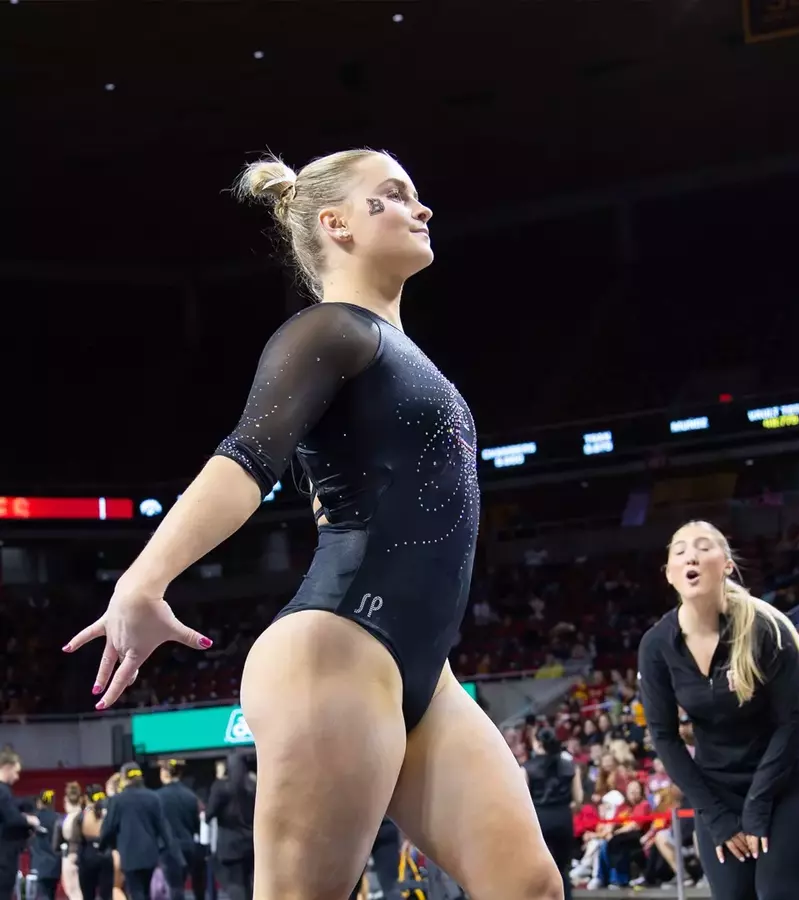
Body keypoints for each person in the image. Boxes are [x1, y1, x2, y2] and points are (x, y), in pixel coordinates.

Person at [63, 149, 563, 900]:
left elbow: (349, 489)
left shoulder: (401, 351)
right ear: (336, 225)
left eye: (418, 194)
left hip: (426, 674)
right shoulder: (327, 330)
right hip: (337, 649)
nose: (420, 208)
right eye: (393, 196)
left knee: (528, 886)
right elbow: (246, 459)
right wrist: (144, 578)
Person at [638, 520, 799, 900]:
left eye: (704, 546)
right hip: (718, 789)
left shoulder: (767, 628)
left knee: (774, 894)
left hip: (785, 781)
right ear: (670, 574)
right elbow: (665, 737)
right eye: (680, 549)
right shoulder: (656, 645)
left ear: (727, 565)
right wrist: (716, 815)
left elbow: (793, 722)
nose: (692, 554)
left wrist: (757, 805)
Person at [100, 763, 176, 900]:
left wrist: (105, 846)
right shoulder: (153, 797)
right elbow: (163, 827)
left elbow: (108, 828)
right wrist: (169, 850)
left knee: (135, 891)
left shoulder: (117, 800)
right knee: (146, 891)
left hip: (129, 854)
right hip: (150, 854)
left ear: (124, 778)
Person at [525, 727, 581, 899]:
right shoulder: (570, 766)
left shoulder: (526, 768)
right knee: (563, 869)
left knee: (540, 870)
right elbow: (578, 799)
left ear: (538, 743)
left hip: (540, 819)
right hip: (563, 818)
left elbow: (524, 801)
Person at [207, 752, 255, 900]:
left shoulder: (221, 787)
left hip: (230, 844)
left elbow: (209, 814)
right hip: (251, 841)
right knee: (251, 882)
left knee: (235, 883)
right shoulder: (253, 785)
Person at [156, 761, 203, 900]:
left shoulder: (157, 797)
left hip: (169, 848)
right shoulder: (191, 796)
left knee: (174, 887)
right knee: (180, 884)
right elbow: (197, 825)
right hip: (188, 846)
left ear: (165, 773)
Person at [0, 749, 43, 900]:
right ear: (7, 767)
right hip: (4, 857)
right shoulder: (2, 791)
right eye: (16, 772)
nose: (17, 777)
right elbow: (12, 819)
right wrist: (29, 820)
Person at [29, 789, 64, 900]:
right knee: (51, 894)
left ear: (39, 802)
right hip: (55, 864)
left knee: (42, 895)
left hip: (39, 864)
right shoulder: (58, 818)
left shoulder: (34, 819)